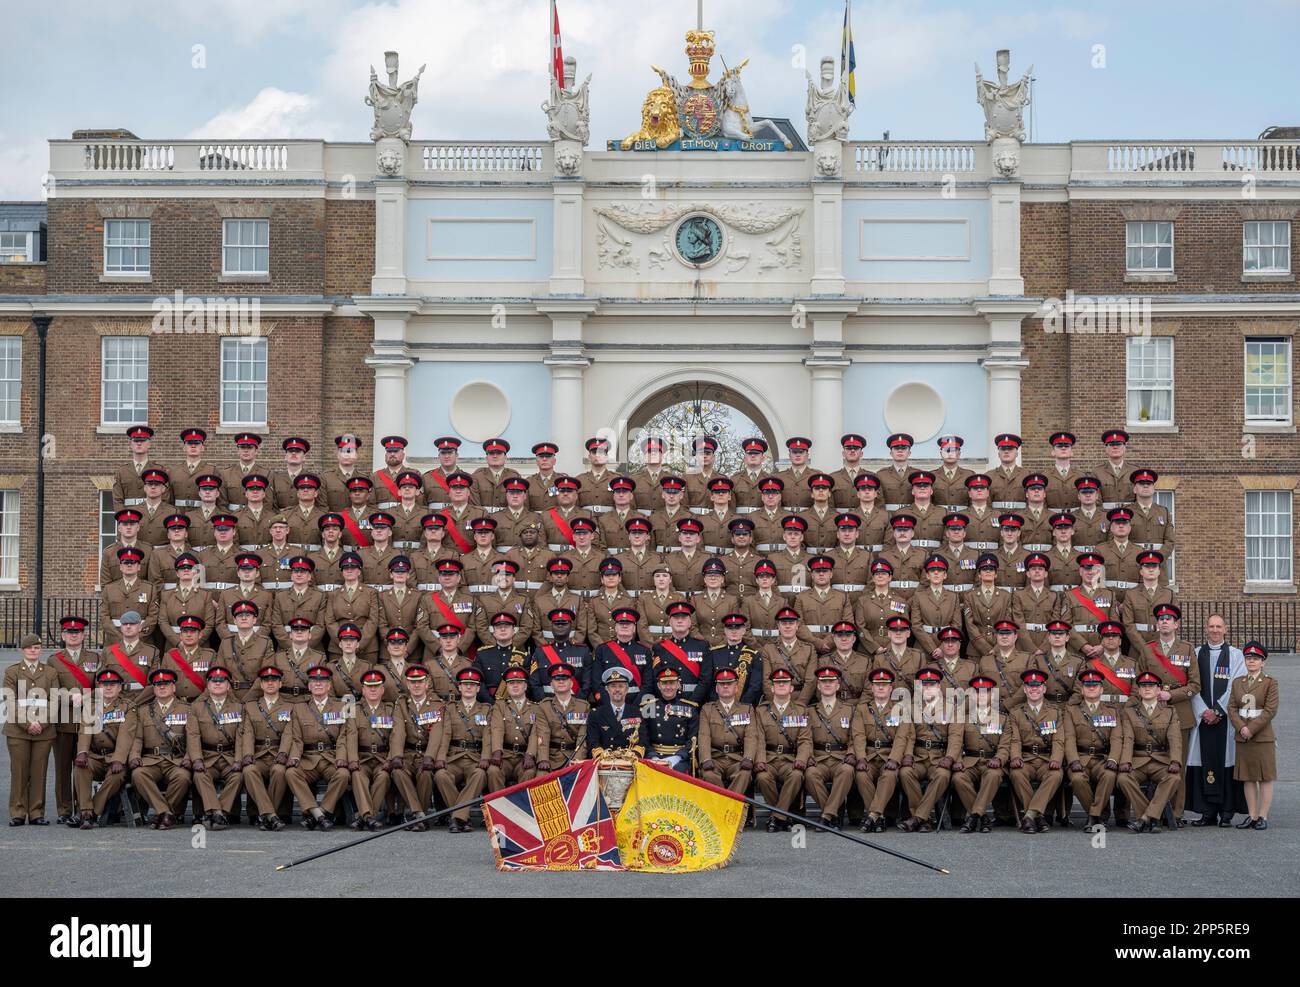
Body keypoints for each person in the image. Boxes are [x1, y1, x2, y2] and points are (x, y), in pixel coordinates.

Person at [1184, 614, 1247, 826]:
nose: (1215, 630)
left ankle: (1227, 812)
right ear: (1205, 629)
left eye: (1218, 626)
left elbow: (1237, 685)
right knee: (1202, 760)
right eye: (1211, 626)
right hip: (1202, 719)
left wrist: (1218, 710)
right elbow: (1191, 684)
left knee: (1227, 760)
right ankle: (1207, 812)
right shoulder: (1195, 653)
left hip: (1225, 719)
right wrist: (1204, 711)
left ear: (1226, 629)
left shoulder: (1236, 655)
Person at [121, 668, 199, 830]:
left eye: (166, 684)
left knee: (183, 777)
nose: (162, 687)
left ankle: (161, 814)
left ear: (174, 688)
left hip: (176, 760)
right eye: (157, 685)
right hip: (152, 760)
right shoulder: (143, 711)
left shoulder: (187, 709)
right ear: (154, 688)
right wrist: (134, 756)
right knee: (138, 774)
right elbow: (137, 738)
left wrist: (188, 757)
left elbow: (193, 737)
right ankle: (166, 813)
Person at [284, 665, 357, 831]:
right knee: (290, 772)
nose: (318, 684)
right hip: (308, 758)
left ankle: (321, 811)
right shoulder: (298, 708)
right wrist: (294, 757)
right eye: (314, 681)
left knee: (343, 775)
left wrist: (341, 758)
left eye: (322, 681)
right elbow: (297, 738)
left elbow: (345, 736)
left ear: (329, 686)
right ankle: (318, 814)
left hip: (331, 758)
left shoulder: (344, 705)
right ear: (309, 686)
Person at [1118, 671, 1184, 833]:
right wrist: (1125, 761)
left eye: (1151, 686)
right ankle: (1151, 817)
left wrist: (1175, 760)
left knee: (1174, 777)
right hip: (1138, 760)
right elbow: (1128, 739)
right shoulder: (1129, 711)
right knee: (1123, 778)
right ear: (1139, 691)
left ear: (1158, 690)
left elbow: (1175, 739)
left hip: (1160, 760)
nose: (1147, 689)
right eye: (1143, 686)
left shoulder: (1170, 711)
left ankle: (1145, 819)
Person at [6, 635, 60, 825]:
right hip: (18, 730)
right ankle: (18, 812)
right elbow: (10, 700)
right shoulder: (12, 672)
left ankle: (37, 812)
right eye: (29, 648)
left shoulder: (50, 672)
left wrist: (42, 723)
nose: (33, 651)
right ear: (22, 650)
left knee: (39, 771)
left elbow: (54, 701)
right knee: (19, 771)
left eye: (36, 647)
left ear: (41, 650)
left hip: (43, 731)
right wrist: (28, 724)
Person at [1061, 668, 1123, 833]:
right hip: (1080, 758)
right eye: (1087, 685)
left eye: (1095, 685)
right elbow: (1069, 737)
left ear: (1102, 689)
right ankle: (1098, 816)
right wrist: (1073, 760)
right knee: (1077, 779)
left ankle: (1093, 816)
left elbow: (1117, 739)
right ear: (1081, 689)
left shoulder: (1112, 711)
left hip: (1102, 758)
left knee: (1109, 775)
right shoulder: (1071, 710)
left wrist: (1113, 759)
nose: (1091, 688)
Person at [432, 667, 491, 832]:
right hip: (454, 757)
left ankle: (457, 818)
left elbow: (488, 736)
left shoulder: (486, 709)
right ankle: (462, 817)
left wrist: (485, 757)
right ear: (459, 687)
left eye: (473, 685)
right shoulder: (450, 708)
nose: (469, 688)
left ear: (478, 688)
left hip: (475, 758)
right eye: (465, 684)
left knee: (480, 774)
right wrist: (441, 758)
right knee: (441, 775)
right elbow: (445, 735)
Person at [72, 669, 132, 828]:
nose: (108, 688)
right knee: (80, 768)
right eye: (104, 685)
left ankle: (90, 812)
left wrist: (118, 759)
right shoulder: (90, 707)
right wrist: (83, 753)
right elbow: (85, 731)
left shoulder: (128, 707)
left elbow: (125, 737)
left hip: (115, 757)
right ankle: (85, 810)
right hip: (96, 757)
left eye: (113, 685)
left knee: (116, 776)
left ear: (120, 688)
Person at [754, 667, 812, 832]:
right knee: (763, 777)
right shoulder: (761, 711)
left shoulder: (801, 710)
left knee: (796, 775)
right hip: (769, 758)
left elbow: (805, 740)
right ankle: (784, 817)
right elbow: (758, 740)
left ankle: (777, 817)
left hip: (789, 759)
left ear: (791, 688)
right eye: (777, 683)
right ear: (772, 688)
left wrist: (801, 760)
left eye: (785, 683)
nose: (781, 685)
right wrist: (760, 761)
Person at [1229, 642, 1279, 830]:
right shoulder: (1237, 682)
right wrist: (1241, 727)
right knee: (1248, 776)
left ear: (1262, 662)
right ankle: (1252, 815)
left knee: (1264, 776)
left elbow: (1270, 710)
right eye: (1249, 658)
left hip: (1262, 735)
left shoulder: (1269, 683)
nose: (1252, 661)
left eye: (1256, 659)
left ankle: (1263, 816)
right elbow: (1232, 708)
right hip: (1243, 735)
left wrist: (1252, 729)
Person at [950, 675, 1010, 833]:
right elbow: (956, 741)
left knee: (993, 775)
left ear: (992, 695)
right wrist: (956, 759)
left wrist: (999, 758)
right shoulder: (962, 717)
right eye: (977, 691)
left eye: (986, 691)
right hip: (970, 761)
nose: (982, 695)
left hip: (992, 762)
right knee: (958, 777)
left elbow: (1005, 746)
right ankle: (982, 817)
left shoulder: (1003, 719)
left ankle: (974, 816)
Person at [1008, 668, 1064, 833]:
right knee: (1017, 773)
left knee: (1056, 775)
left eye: (1037, 685)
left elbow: (1059, 740)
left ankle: (1029, 816)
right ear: (1024, 689)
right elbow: (1015, 739)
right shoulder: (1016, 713)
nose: (1034, 689)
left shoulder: (1055, 712)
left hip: (1047, 759)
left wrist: (1056, 759)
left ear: (1044, 689)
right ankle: (1037, 816)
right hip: (1026, 758)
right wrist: (1016, 757)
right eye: (1030, 686)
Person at [698, 668, 760, 797]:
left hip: (737, 758)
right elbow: (704, 736)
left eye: (729, 683)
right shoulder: (707, 709)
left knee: (744, 774)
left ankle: (724, 808)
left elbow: (751, 736)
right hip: (716, 758)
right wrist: (706, 759)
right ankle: (730, 807)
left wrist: (748, 758)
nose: (725, 686)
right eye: (721, 684)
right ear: (716, 688)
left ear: (736, 687)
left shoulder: (747, 709)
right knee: (708, 774)